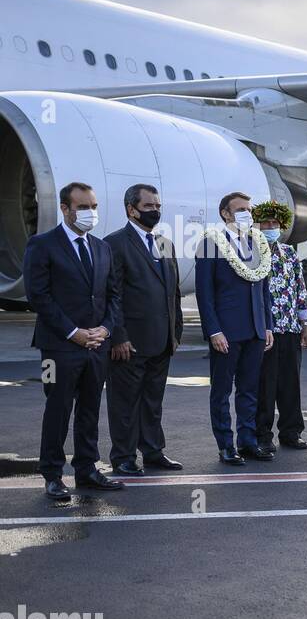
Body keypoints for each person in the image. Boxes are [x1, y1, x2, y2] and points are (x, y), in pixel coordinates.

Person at [23, 182, 123, 498]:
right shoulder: (42, 245)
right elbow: (39, 296)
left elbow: (113, 296)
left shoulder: (102, 248)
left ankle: (87, 469)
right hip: (59, 346)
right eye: (82, 207)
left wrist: (105, 330)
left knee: (90, 409)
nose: (89, 213)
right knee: (58, 408)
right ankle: (52, 474)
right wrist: (73, 332)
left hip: (96, 345)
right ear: (65, 209)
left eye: (93, 206)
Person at [105, 183, 184, 475]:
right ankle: (123, 456)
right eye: (149, 206)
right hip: (129, 343)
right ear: (131, 209)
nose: (155, 211)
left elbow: (172, 292)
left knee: (152, 401)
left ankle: (152, 451)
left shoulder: (165, 243)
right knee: (124, 403)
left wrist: (175, 332)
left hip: (161, 341)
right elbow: (111, 295)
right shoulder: (114, 244)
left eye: (158, 206)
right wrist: (118, 336)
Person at [194, 191, 274, 465]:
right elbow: (204, 293)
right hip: (226, 332)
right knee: (221, 391)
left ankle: (248, 441)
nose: (247, 214)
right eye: (240, 209)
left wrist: (268, 326)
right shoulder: (210, 243)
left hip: (254, 329)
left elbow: (263, 288)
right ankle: (226, 445)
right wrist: (213, 330)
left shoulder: (257, 243)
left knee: (249, 390)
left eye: (249, 209)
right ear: (225, 214)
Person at [252, 200, 307, 452]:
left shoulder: (289, 253)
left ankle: (291, 432)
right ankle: (262, 435)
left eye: (274, 223)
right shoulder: (252, 252)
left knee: (290, 383)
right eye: (266, 223)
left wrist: (306, 323)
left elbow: (300, 290)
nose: (270, 227)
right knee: (264, 385)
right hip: (265, 330)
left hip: (289, 328)